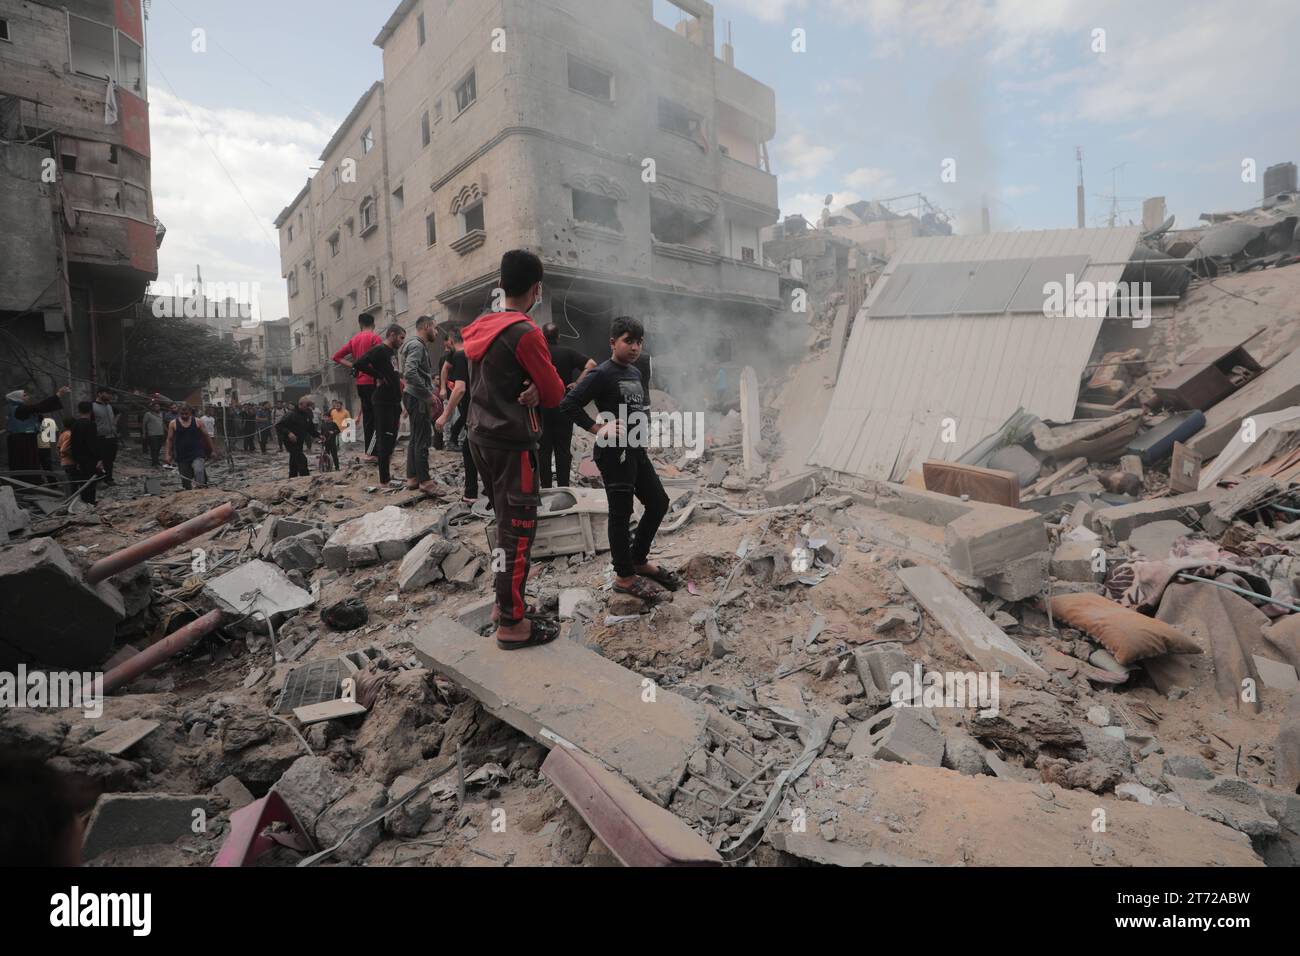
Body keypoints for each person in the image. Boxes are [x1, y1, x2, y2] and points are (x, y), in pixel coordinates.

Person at [461, 250, 566, 649]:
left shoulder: (479, 327)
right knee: (518, 533)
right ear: (537, 289)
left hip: (480, 438)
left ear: (502, 285)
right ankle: (511, 623)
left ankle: (503, 602)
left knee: (505, 524)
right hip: (511, 443)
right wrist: (541, 389)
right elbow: (555, 394)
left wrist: (535, 387)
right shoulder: (525, 332)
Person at [561, 316, 680, 604]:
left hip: (635, 450)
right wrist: (598, 428)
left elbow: (640, 407)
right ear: (613, 342)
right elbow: (569, 404)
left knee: (658, 502)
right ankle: (624, 577)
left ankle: (638, 560)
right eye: (629, 340)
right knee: (621, 513)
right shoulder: (601, 374)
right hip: (614, 454)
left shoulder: (636, 372)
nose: (635, 347)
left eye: (639, 341)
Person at [539, 323, 596, 489]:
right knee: (563, 450)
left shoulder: (539, 354)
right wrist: (578, 383)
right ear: (558, 337)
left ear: (542, 337)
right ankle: (564, 488)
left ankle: (547, 488)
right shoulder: (568, 352)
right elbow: (592, 364)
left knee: (543, 451)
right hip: (564, 407)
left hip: (542, 408)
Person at [352, 325, 406, 487]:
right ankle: (384, 480)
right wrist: (378, 376)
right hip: (383, 401)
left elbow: (394, 377)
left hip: (394, 401)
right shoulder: (380, 350)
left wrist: (400, 402)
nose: (402, 341)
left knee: (391, 440)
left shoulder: (391, 353)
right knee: (384, 439)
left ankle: (388, 475)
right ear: (392, 335)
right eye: (401, 337)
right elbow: (359, 363)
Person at [436, 332, 481, 504]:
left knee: (469, 451)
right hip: (483, 409)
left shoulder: (461, 355)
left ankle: (471, 495)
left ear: (453, 341)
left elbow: (460, 388)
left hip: (473, 410)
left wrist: (444, 415)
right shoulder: (477, 353)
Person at [332, 314, 383, 463]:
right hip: (374, 382)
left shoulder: (354, 340)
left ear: (360, 324)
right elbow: (382, 360)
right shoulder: (375, 338)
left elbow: (336, 357)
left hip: (361, 383)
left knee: (368, 417)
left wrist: (354, 366)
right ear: (373, 323)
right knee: (378, 417)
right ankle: (374, 453)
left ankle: (370, 451)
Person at [399, 315, 440, 495]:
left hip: (412, 396)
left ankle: (413, 478)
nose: (436, 332)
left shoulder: (413, 345)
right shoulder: (417, 345)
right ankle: (425, 481)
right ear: (425, 326)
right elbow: (410, 372)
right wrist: (428, 395)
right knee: (423, 439)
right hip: (417, 397)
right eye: (435, 328)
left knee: (415, 438)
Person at [6, 385, 69, 483]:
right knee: (25, 461)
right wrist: (58, 395)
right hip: (21, 439)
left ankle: (32, 481)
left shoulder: (21, 408)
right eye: (24, 395)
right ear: (17, 398)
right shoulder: (19, 409)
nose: (28, 397)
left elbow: (38, 410)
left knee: (31, 461)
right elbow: (39, 407)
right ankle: (28, 482)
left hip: (26, 438)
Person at [164, 404, 213, 490]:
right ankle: (189, 494)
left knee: (199, 470)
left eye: (186, 414)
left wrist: (212, 450)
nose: (184, 416)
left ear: (190, 413)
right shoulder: (173, 423)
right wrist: (168, 454)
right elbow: (169, 439)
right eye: (182, 414)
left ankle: (201, 489)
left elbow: (206, 436)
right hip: (181, 454)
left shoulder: (198, 421)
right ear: (179, 413)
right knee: (186, 480)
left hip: (197, 451)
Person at [276, 397, 320, 478]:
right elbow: (279, 426)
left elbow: (310, 429)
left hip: (300, 440)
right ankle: (305, 478)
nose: (309, 407)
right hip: (289, 441)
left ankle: (292, 477)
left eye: (310, 405)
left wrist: (319, 436)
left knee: (294, 460)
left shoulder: (307, 414)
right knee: (302, 459)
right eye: (308, 405)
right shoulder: (291, 414)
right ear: (301, 404)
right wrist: (289, 433)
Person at [69, 401, 103, 505]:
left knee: (82, 480)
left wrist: (75, 458)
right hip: (90, 458)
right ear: (91, 411)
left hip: (79, 457)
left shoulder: (75, 424)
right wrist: (99, 458)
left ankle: (83, 501)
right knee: (91, 481)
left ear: (79, 410)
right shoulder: (91, 425)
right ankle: (90, 503)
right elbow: (93, 443)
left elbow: (73, 443)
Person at [440, 331, 469, 450]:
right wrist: (442, 388)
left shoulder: (462, 353)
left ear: (451, 340)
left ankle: (454, 439)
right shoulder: (453, 354)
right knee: (463, 417)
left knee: (464, 418)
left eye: (447, 344)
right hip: (459, 390)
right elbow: (445, 369)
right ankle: (451, 440)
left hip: (466, 391)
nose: (446, 347)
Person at [91, 389, 118, 485]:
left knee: (110, 460)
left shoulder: (109, 406)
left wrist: (114, 425)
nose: (109, 395)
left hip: (111, 436)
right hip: (100, 437)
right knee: (99, 460)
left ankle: (109, 478)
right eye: (107, 393)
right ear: (100, 394)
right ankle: (98, 479)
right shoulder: (93, 406)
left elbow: (118, 413)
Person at [143, 402, 166, 467]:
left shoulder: (161, 414)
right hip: (152, 434)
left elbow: (162, 423)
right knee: (154, 448)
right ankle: (154, 462)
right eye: (156, 407)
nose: (157, 408)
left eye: (158, 406)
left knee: (158, 448)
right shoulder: (148, 414)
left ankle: (157, 461)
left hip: (161, 434)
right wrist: (144, 433)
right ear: (152, 407)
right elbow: (144, 424)